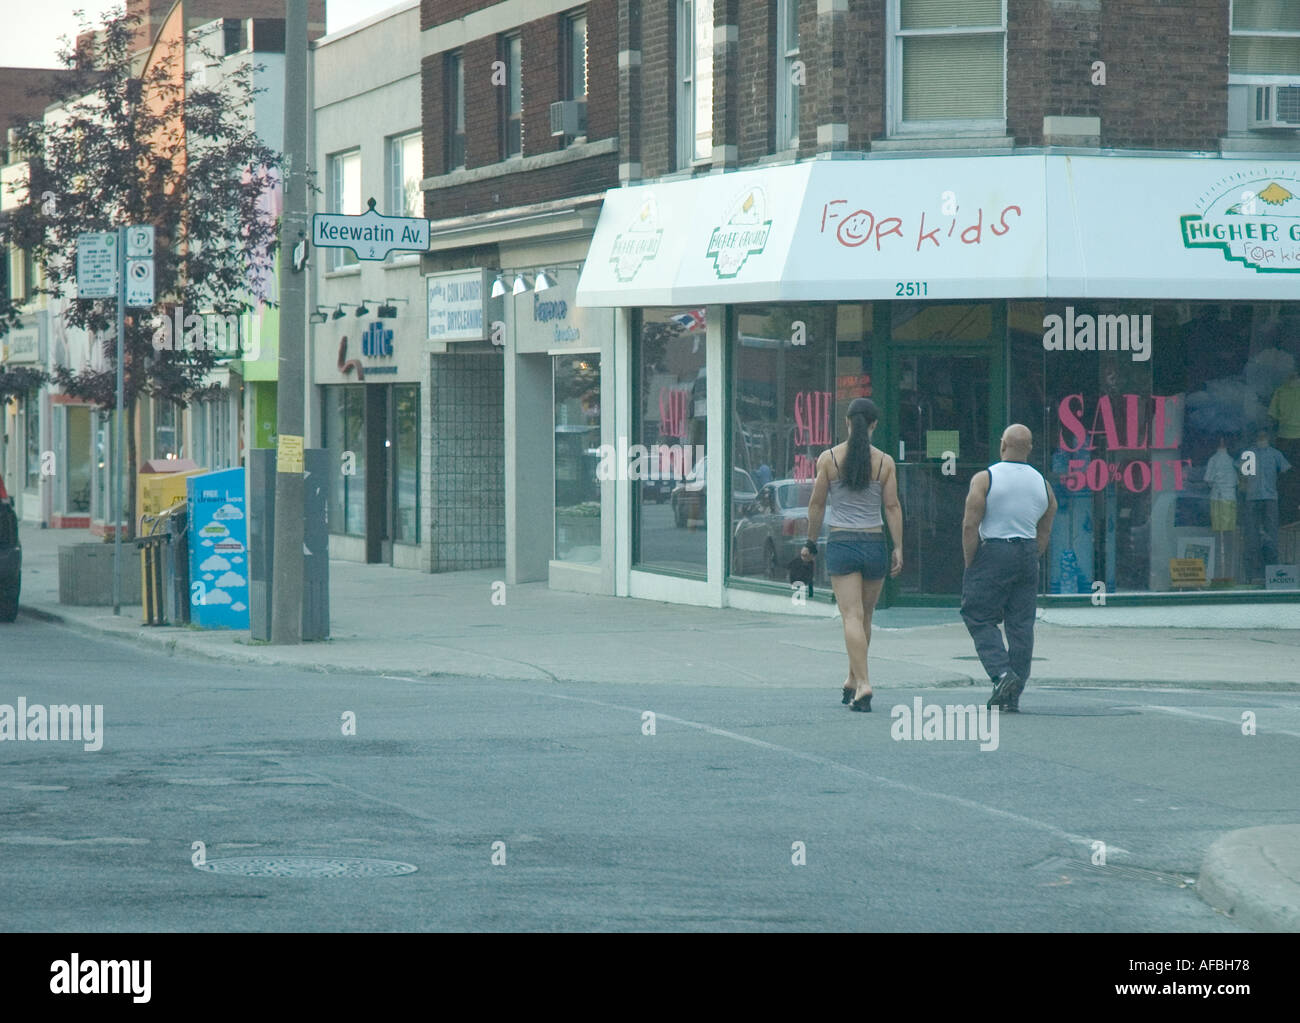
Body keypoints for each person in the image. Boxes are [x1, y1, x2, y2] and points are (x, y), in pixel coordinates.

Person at [801, 397, 903, 712]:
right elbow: (892, 506)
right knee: (865, 617)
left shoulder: (829, 459)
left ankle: (864, 684)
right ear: (873, 425)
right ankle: (852, 679)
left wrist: (811, 542)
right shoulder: (885, 462)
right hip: (875, 544)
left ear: (847, 422)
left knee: (851, 617)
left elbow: (817, 505)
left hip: (842, 544)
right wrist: (898, 546)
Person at [960, 425, 1057, 713]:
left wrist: (971, 562)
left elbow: (969, 524)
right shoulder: (1043, 484)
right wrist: (1032, 554)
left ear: (1002, 445)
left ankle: (1002, 674)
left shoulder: (985, 479)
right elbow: (1046, 528)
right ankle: (1013, 694)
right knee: (1021, 625)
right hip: (1027, 551)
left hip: (994, 550)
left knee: (977, 615)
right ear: (1030, 447)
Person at [1241, 428, 1292, 582]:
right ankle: (1252, 575)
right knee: (1251, 535)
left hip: (1270, 496)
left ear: (1268, 438)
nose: (1261, 438)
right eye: (1259, 436)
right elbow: (1241, 474)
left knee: (1272, 533)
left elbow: (1286, 472)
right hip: (1252, 497)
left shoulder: (1275, 454)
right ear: (1256, 438)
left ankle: (1273, 574)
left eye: (1264, 436)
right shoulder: (1248, 454)